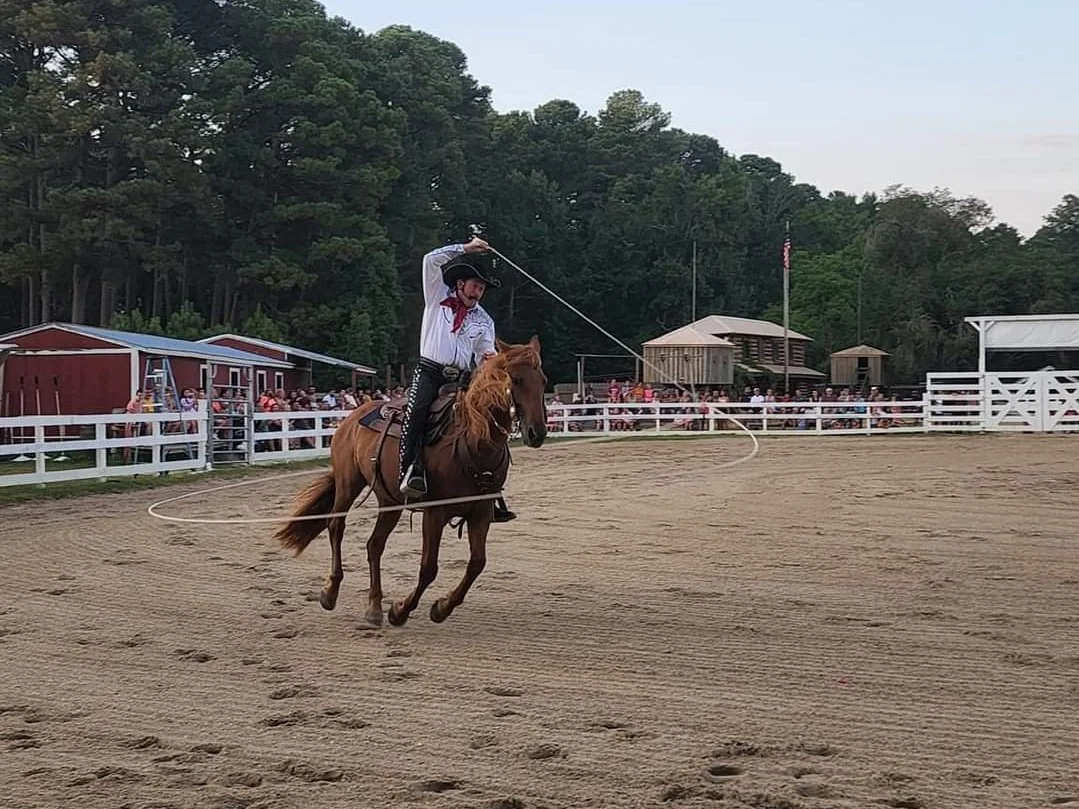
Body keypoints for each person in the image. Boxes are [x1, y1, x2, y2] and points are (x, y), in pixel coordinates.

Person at [398, 236, 517, 522]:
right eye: (475, 285)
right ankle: (410, 472)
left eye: (482, 288)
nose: (478, 292)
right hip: (429, 372)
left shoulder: (484, 321)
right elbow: (430, 260)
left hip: (462, 378)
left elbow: (485, 353)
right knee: (417, 413)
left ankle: (491, 491)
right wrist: (465, 248)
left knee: (489, 420)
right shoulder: (436, 295)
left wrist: (490, 360)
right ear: (460, 284)